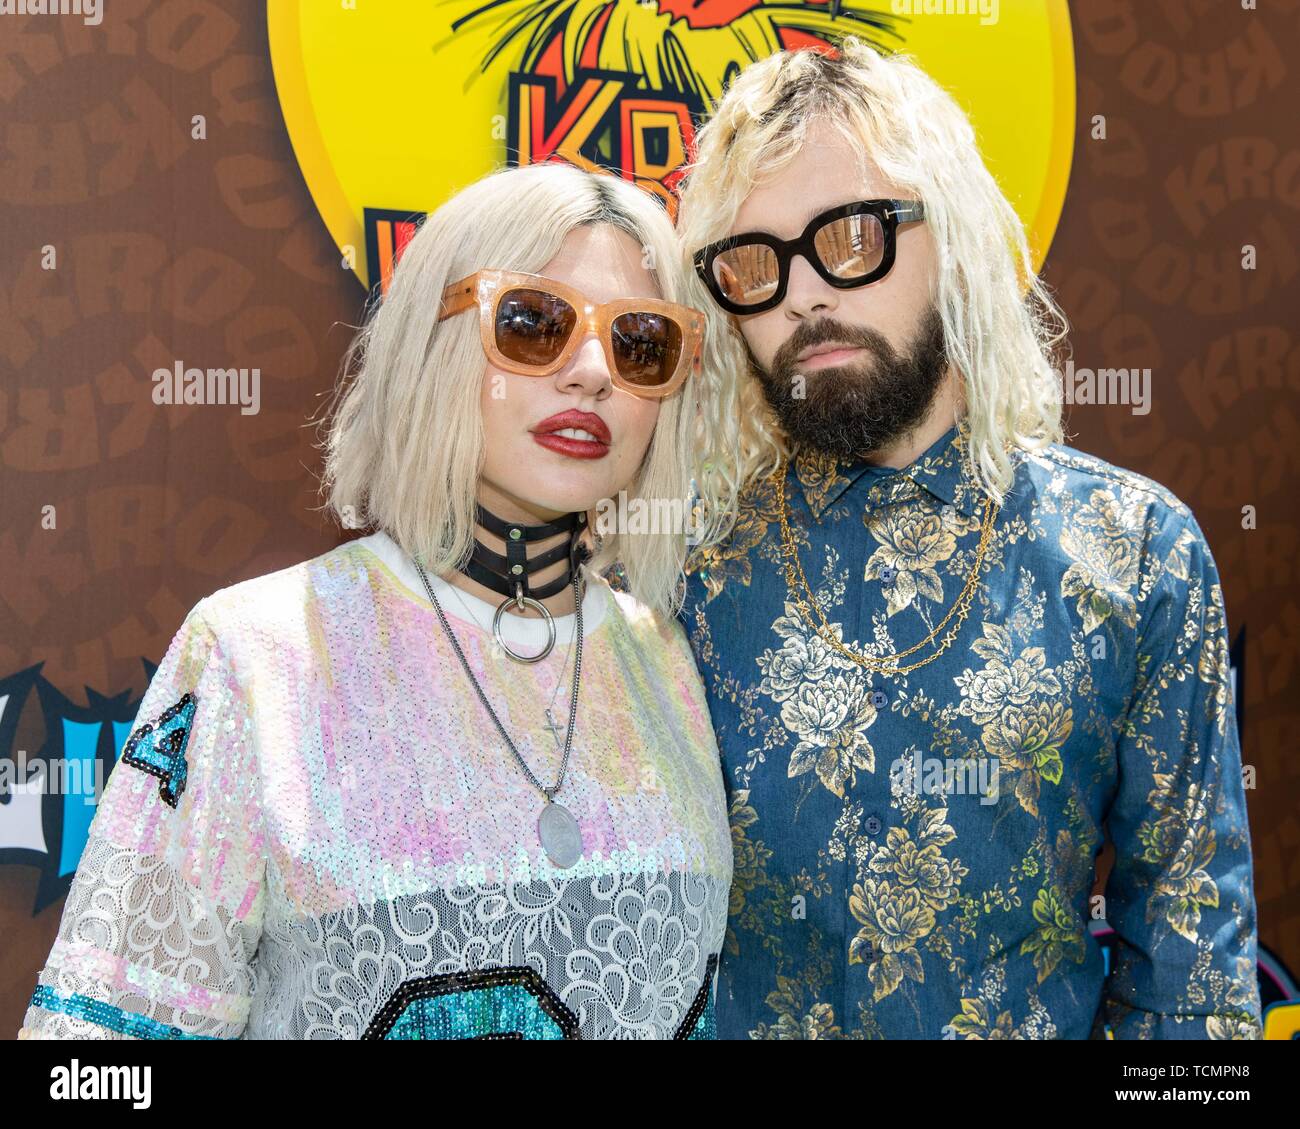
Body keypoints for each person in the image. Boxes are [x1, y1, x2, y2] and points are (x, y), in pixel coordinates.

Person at [18, 162, 733, 1040]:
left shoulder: (673, 662)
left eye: (641, 343)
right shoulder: (255, 657)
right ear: (433, 341)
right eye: (535, 323)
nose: (592, 372)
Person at [675, 39, 1262, 1039]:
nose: (804, 296)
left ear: (954, 239)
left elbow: (1191, 976)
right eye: (753, 263)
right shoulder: (680, 569)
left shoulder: (1133, 553)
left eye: (852, 235)